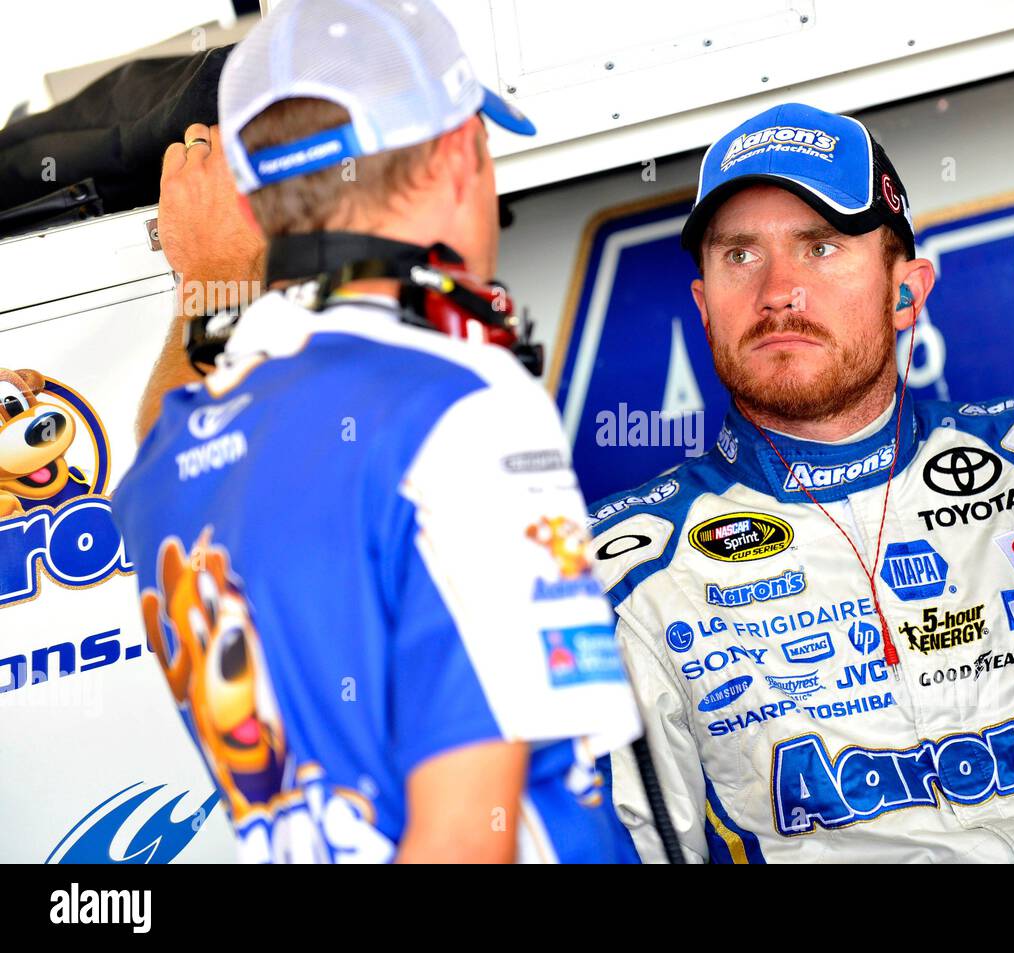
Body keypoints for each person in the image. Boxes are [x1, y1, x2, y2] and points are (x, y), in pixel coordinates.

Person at [588, 101, 1014, 863]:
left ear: (906, 292)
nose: (779, 289)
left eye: (821, 247)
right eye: (740, 255)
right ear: (705, 308)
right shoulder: (629, 568)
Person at [112, 0, 641, 863]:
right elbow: (469, 838)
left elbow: (170, 430)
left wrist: (208, 282)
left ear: (251, 207)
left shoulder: (179, 457)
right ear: (459, 151)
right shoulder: (462, 403)